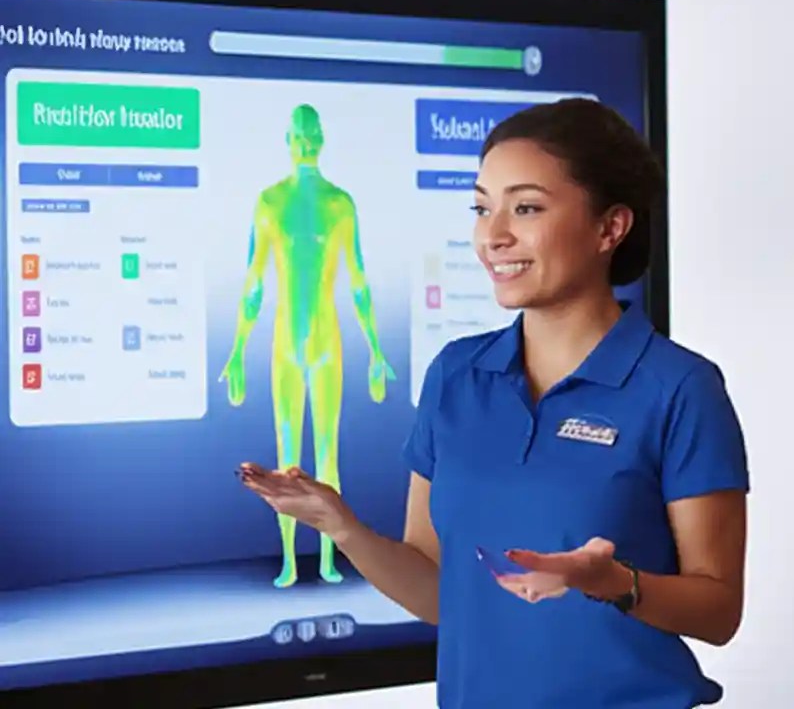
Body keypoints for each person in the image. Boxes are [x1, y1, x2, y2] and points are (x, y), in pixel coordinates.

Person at [236, 98, 750, 707]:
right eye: (482, 208)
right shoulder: (455, 375)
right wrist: (342, 527)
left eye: (526, 208)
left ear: (610, 228)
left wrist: (612, 583)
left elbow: (717, 611)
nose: (492, 236)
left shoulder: (679, 388)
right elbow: (436, 593)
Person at [220, 103, 395, 589]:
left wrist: (377, 350)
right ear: (292, 140)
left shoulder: (341, 204)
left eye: (309, 132)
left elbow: (359, 281)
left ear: (316, 139)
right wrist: (236, 349)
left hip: (324, 343)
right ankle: (291, 563)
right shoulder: (270, 202)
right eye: (299, 133)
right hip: (286, 347)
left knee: (327, 454)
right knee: (285, 461)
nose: (304, 140)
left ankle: (325, 560)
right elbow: (253, 282)